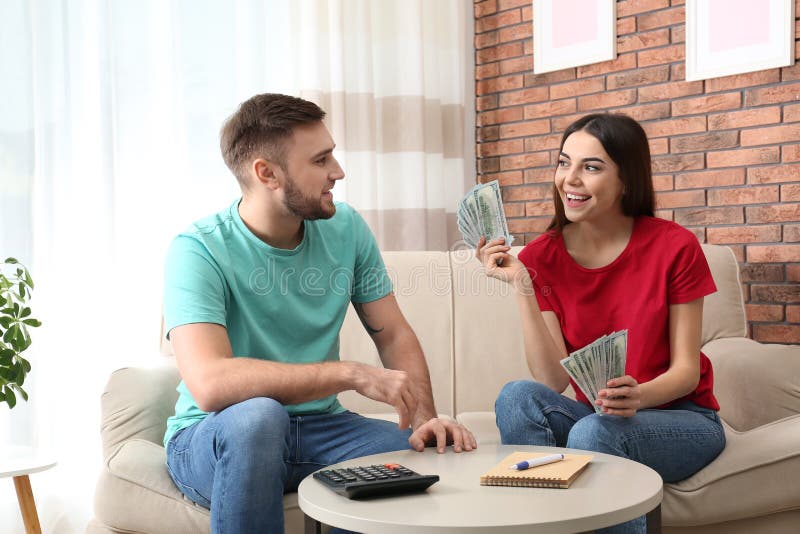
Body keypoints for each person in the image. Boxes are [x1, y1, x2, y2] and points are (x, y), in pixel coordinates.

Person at [163, 93, 476, 534]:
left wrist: (425, 421)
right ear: (267, 173)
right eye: (321, 159)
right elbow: (212, 385)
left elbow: (394, 335)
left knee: (423, 458)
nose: (338, 172)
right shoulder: (197, 250)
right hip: (215, 436)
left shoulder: (345, 227)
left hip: (322, 430)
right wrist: (348, 373)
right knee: (258, 417)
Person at [476, 113, 726, 533]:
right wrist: (523, 286)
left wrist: (640, 396)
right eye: (563, 162)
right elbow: (552, 379)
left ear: (626, 179)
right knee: (517, 396)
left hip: (683, 419)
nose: (570, 178)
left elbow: (685, 372)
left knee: (594, 433)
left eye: (591, 167)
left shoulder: (675, 247)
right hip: (599, 416)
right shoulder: (539, 257)